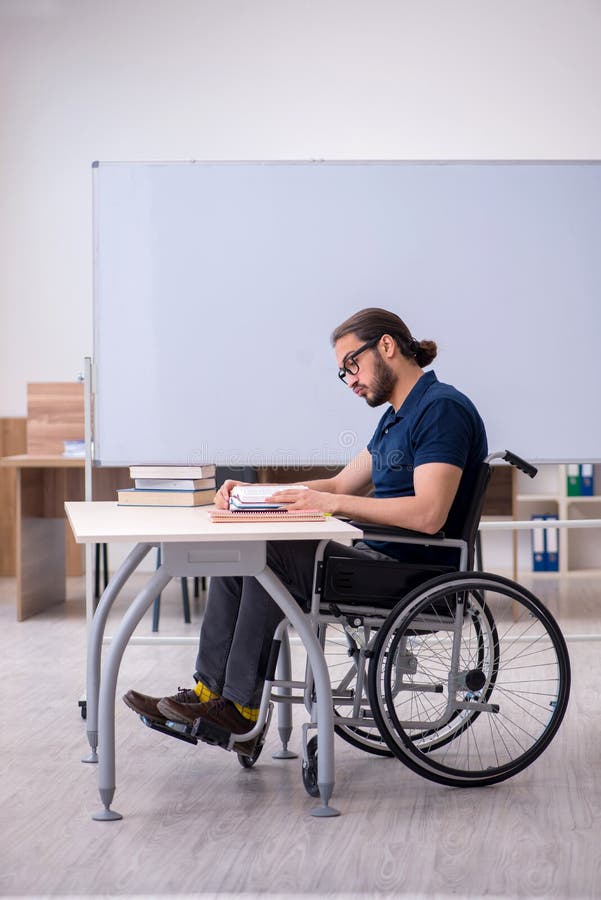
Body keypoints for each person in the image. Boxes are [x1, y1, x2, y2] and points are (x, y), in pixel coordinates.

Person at [124, 307, 488, 754]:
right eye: (343, 372)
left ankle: (241, 712)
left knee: (268, 552)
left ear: (387, 346)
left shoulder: (440, 410)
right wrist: (257, 494)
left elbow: (429, 514)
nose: (350, 380)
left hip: (414, 576)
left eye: (352, 364)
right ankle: (210, 694)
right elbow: (339, 484)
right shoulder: (398, 417)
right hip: (383, 561)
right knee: (239, 544)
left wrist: (333, 505)